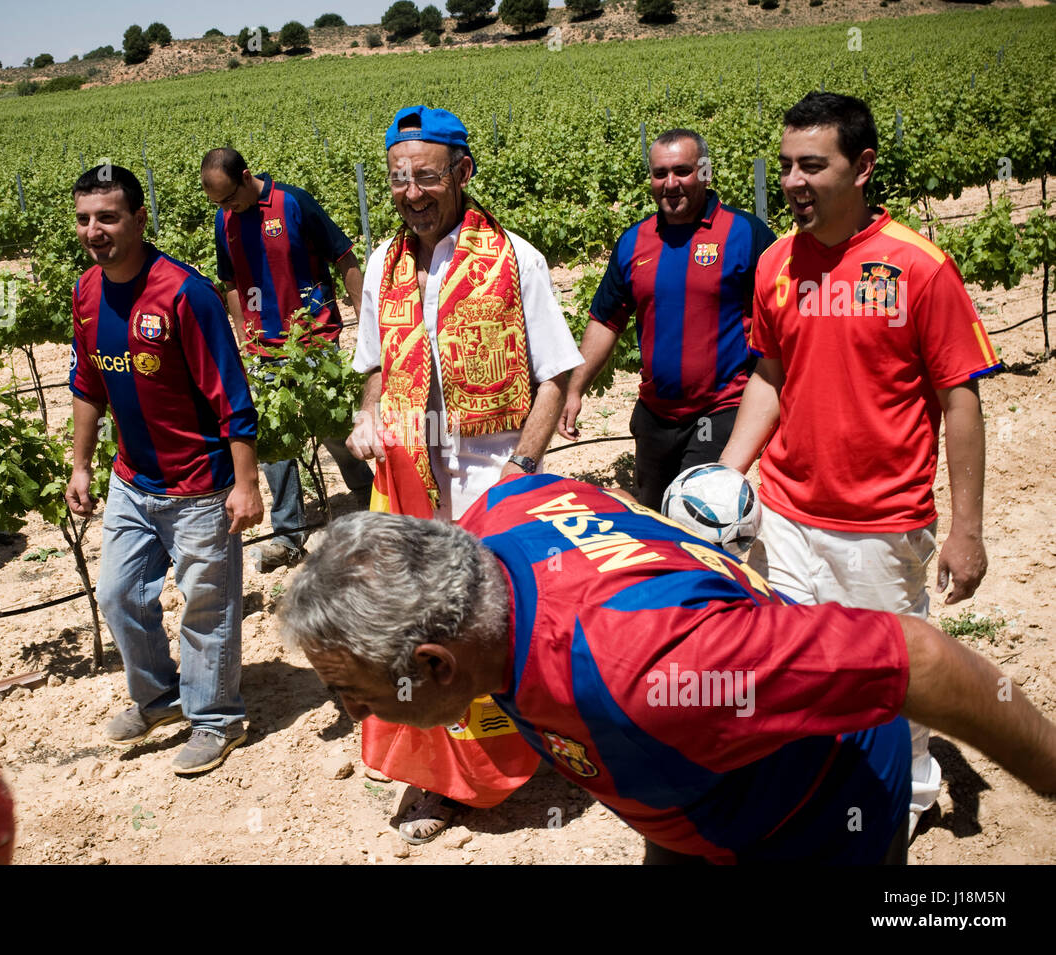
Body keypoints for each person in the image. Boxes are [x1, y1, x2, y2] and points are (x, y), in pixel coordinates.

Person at [279, 475, 1056, 863]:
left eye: (357, 694)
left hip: (817, 819)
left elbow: (918, 657)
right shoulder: (505, 509)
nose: (358, 716)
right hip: (703, 799)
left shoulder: (652, 675)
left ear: (434, 664)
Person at [718, 92, 1002, 837]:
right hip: (785, 513)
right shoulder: (777, 262)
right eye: (784, 166)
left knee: (891, 678)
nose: (792, 182)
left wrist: (966, 529)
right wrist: (727, 473)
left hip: (882, 522)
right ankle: (822, 787)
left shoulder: (919, 267)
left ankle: (901, 801)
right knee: (796, 667)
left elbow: (960, 398)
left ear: (863, 166)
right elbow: (768, 376)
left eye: (813, 165)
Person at [344, 105, 584, 842]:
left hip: (493, 480)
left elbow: (555, 376)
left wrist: (522, 470)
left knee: (495, 630)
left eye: (425, 176)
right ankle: (435, 780)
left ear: (462, 173)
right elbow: (375, 368)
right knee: (414, 631)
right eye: (397, 178)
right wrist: (365, 417)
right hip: (411, 483)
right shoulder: (383, 264)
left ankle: (519, 755)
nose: (411, 192)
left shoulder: (516, 259)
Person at [65, 164, 263, 776]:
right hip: (132, 479)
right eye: (83, 218)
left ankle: (217, 718)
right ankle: (160, 698)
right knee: (120, 594)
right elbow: (87, 384)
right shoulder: (87, 292)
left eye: (107, 217)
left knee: (207, 607)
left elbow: (231, 394)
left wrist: (247, 483)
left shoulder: (185, 293)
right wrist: (80, 462)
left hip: (200, 485)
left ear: (138, 219)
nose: (94, 231)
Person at [558, 130, 776, 511]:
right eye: (660, 174)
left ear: (705, 173)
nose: (670, 184)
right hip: (655, 415)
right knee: (655, 517)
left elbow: (780, 320)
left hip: (720, 410)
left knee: (697, 517)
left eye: (682, 171)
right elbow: (607, 320)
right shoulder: (634, 241)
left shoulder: (746, 234)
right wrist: (574, 389)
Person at [200, 148, 374, 571]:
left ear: (245, 176)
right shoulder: (225, 220)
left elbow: (343, 256)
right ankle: (288, 535)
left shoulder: (292, 203)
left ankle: (370, 504)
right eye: (217, 203)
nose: (225, 208)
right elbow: (230, 283)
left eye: (228, 198)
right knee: (274, 442)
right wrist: (244, 334)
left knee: (334, 428)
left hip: (313, 338)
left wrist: (368, 321)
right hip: (263, 346)